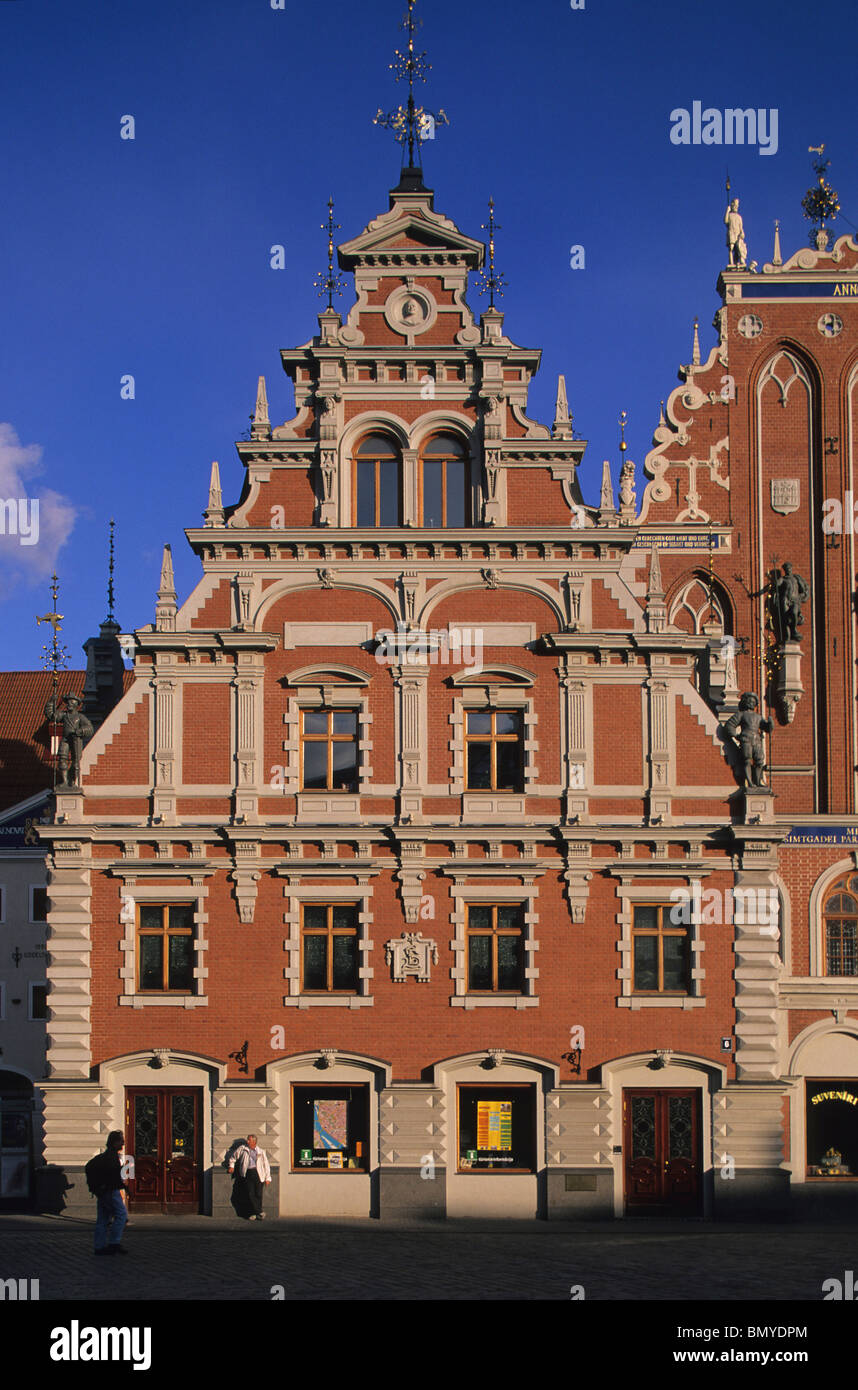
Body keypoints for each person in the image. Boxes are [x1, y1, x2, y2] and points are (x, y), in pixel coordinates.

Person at [87, 1130, 129, 1256]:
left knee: (103, 1218)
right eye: (121, 1141)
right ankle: (114, 1243)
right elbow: (113, 1176)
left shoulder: (107, 1156)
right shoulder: (111, 1157)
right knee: (121, 1215)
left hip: (102, 1191)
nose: (123, 1143)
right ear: (115, 1142)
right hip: (110, 1191)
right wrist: (123, 1186)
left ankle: (99, 1246)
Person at [228, 1134, 271, 1220]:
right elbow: (233, 1157)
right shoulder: (242, 1149)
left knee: (258, 1194)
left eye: (249, 1140)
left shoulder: (260, 1151)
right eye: (247, 1140)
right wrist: (231, 1166)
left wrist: (268, 1178)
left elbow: (266, 1165)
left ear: (254, 1142)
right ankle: (257, 1212)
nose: (247, 1141)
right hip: (248, 1173)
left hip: (258, 1173)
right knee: (250, 1193)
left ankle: (256, 1213)